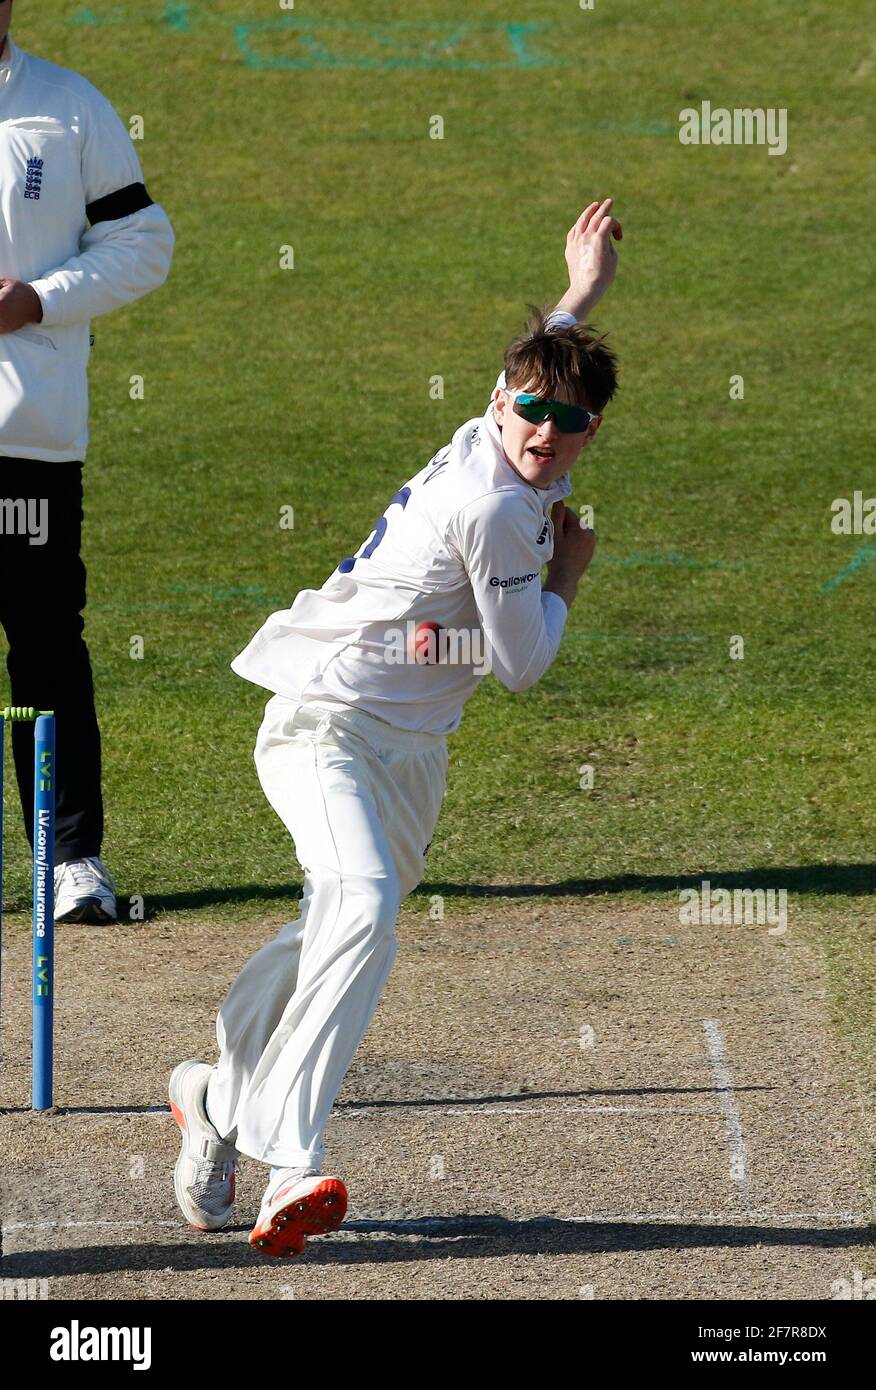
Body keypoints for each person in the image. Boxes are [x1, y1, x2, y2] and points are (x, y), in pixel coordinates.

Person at [169, 200, 622, 1256]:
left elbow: (536, 365)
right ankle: (291, 1160)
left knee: (341, 918)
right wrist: (566, 578)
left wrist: (581, 291)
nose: (544, 434)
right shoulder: (500, 509)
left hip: (412, 752)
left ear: (592, 428)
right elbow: (519, 665)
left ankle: (214, 1097)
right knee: (363, 902)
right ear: (503, 404)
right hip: (325, 724)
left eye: (570, 423)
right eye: (531, 413)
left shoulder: (490, 426)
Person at [0, 2, 174, 923]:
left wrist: (37, 299)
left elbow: (145, 243)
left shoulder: (66, 108)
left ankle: (69, 862)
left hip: (30, 440)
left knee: (46, 651)